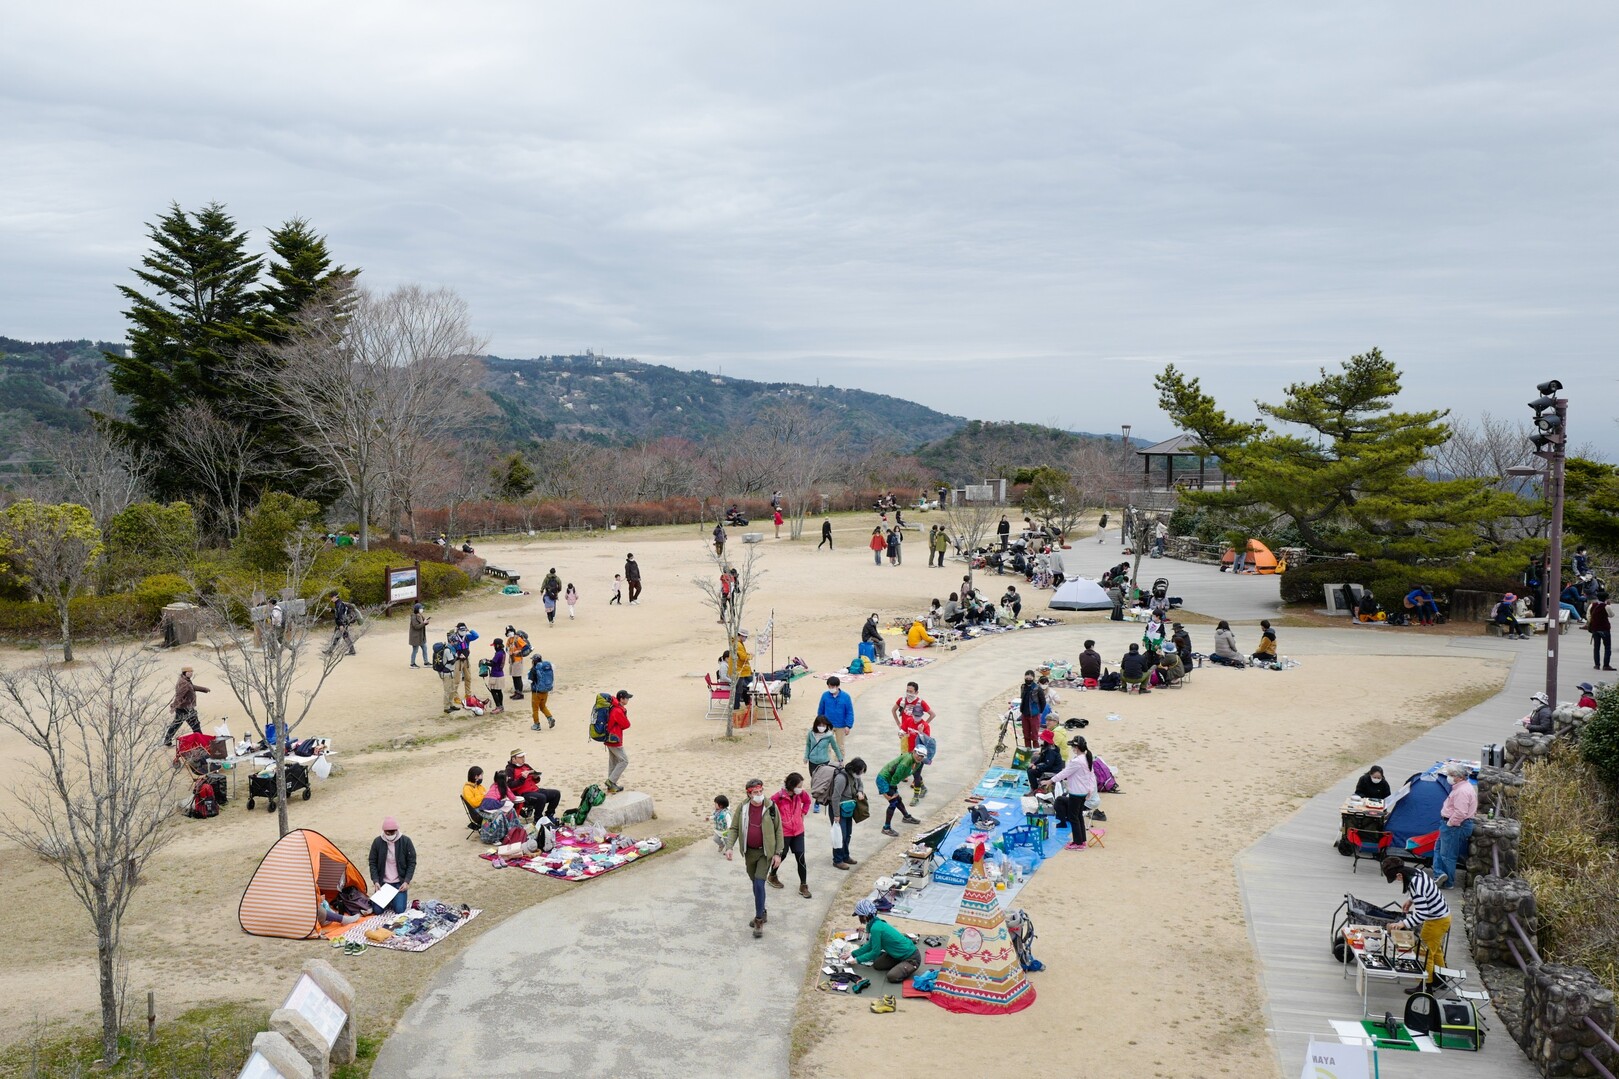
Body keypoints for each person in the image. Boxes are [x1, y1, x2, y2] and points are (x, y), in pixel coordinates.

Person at [720, 778, 784, 939]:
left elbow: (779, 830)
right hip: (749, 853)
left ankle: (759, 920)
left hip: (765, 853)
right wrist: (729, 847)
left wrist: (778, 853)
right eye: (755, 792)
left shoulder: (771, 806)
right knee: (755, 884)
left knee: (759, 883)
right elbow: (734, 828)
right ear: (749, 794)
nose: (759, 794)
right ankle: (762, 910)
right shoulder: (742, 807)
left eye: (761, 791)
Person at [1382, 858, 1450, 991]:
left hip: (1435, 920)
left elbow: (1423, 914)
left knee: (1424, 952)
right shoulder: (1417, 872)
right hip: (1443, 916)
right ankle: (1440, 980)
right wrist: (1410, 900)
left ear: (1399, 875)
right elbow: (1425, 891)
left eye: (1396, 879)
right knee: (1436, 950)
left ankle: (1425, 986)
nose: (1398, 881)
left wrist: (1403, 924)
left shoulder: (1415, 886)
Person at [1045, 735, 1101, 848]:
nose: (1072, 748)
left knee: (1073, 817)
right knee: (1078, 816)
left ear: (1077, 747)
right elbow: (1091, 776)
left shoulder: (1077, 761)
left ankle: (1077, 843)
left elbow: (1064, 773)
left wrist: (1051, 780)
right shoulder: (1086, 758)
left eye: (1073, 747)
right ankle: (1082, 840)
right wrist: (1090, 790)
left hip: (1076, 793)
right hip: (1083, 792)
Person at [852, 898, 921, 983]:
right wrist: (852, 954)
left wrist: (857, 960)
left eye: (859, 916)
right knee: (877, 965)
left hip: (911, 957)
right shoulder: (875, 923)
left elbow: (875, 952)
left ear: (864, 916)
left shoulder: (876, 928)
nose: (859, 918)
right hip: (896, 954)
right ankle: (899, 962)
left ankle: (908, 966)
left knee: (892, 976)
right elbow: (870, 945)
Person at [1432, 762, 1477, 889]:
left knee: (1447, 855)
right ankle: (1439, 874)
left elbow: (1461, 812)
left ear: (1460, 777)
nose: (1449, 777)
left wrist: (1450, 823)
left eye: (1451, 775)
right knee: (1439, 850)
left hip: (1454, 826)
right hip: (1451, 825)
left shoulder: (1462, 791)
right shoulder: (1464, 787)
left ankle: (1448, 882)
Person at [771, 772, 812, 897]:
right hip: (784, 832)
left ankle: (803, 885)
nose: (801, 788)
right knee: (781, 856)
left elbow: (808, 801)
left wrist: (803, 812)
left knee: (801, 858)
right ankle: (772, 876)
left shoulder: (801, 794)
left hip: (798, 831)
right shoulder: (778, 797)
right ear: (792, 785)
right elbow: (769, 810)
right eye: (799, 786)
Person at [368, 817, 416, 915]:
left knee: (399, 909)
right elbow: (372, 862)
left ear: (396, 830)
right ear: (383, 831)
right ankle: (389, 898)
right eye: (387, 833)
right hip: (384, 883)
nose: (390, 835)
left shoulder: (406, 841)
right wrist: (376, 881)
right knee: (377, 911)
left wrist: (406, 881)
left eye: (392, 833)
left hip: (399, 883)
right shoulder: (377, 842)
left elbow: (412, 862)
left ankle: (393, 898)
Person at [829, 758, 866, 870]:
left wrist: (860, 791)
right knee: (840, 835)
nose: (861, 774)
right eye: (861, 771)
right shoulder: (841, 778)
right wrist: (836, 814)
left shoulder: (855, 775)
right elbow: (835, 797)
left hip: (848, 808)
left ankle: (845, 856)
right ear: (854, 769)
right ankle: (837, 860)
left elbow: (860, 784)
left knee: (848, 834)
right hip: (838, 809)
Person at [506, 749, 561, 821]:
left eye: (523, 757)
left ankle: (549, 815)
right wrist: (522, 778)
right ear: (514, 759)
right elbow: (509, 786)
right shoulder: (509, 769)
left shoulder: (526, 766)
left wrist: (536, 777)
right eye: (520, 757)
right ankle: (538, 818)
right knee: (542, 797)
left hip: (535, 790)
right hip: (523, 794)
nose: (523, 759)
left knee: (556, 793)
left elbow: (536, 780)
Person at [164, 666, 209, 746]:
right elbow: (179, 695)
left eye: (191, 672)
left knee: (176, 724)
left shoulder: (185, 680)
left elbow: (191, 687)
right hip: (186, 708)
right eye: (189, 672)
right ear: (184, 673)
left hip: (184, 707)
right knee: (195, 726)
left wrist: (204, 689)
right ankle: (201, 742)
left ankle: (167, 741)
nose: (191, 673)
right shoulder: (183, 683)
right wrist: (174, 706)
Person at [816, 677, 856, 755]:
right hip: (827, 725)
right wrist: (819, 723)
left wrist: (848, 725)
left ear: (837, 686)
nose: (831, 688)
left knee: (840, 746)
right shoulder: (825, 696)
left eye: (832, 686)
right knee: (826, 746)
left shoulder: (846, 697)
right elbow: (820, 710)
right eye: (829, 686)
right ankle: (826, 761)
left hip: (841, 725)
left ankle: (840, 761)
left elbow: (849, 712)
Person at [604, 690, 632, 792]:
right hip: (614, 739)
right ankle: (611, 781)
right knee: (624, 761)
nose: (628, 699)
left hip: (609, 739)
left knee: (613, 762)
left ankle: (611, 786)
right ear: (621, 699)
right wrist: (624, 712)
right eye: (627, 698)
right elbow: (626, 724)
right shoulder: (618, 710)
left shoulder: (614, 708)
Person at [1018, 669, 1046, 748]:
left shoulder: (1038, 688)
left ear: (1033, 678)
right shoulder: (1023, 687)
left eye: (1030, 678)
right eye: (1026, 678)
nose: (1028, 680)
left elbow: (1043, 702)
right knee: (1026, 735)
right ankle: (1028, 750)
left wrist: (1039, 711)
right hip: (1024, 714)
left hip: (1034, 715)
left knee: (1034, 736)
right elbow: (1022, 698)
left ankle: (1036, 752)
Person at [528, 652, 556, 731]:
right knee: (543, 706)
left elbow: (530, 681)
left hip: (536, 693)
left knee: (535, 709)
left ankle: (536, 724)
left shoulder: (534, 669)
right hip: (545, 691)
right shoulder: (545, 668)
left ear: (534, 661)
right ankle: (550, 718)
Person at [325, 591, 358, 656]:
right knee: (343, 636)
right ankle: (351, 650)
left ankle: (330, 651)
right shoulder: (339, 603)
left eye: (331, 597)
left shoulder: (339, 604)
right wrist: (331, 610)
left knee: (341, 636)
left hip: (342, 624)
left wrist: (341, 625)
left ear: (335, 597)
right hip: (343, 623)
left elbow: (340, 615)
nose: (331, 599)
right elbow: (339, 612)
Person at [1588, 589, 1613, 671]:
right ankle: (1606, 665)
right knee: (1607, 647)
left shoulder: (1592, 605)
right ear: (1606, 598)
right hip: (1604, 629)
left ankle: (1597, 665)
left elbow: (1588, 616)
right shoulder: (1607, 606)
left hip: (1595, 628)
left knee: (1596, 647)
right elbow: (1611, 615)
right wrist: (1608, 605)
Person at [505, 626, 528, 699]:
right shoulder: (509, 640)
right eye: (508, 631)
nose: (509, 632)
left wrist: (519, 651)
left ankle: (520, 693)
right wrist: (508, 651)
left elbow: (526, 646)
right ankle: (516, 692)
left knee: (518, 677)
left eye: (510, 631)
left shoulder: (518, 638)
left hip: (518, 660)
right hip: (512, 660)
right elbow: (507, 648)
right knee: (514, 677)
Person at [485, 638, 507, 713]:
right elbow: (494, 661)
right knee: (499, 691)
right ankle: (501, 706)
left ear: (497, 645)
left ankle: (498, 706)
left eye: (494, 645)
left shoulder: (498, 654)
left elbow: (493, 664)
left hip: (495, 675)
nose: (494, 647)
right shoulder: (502, 652)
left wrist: (485, 663)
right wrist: (488, 661)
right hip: (500, 674)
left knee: (493, 691)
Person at [408, 603, 430, 668]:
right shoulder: (413, 617)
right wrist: (424, 623)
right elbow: (416, 626)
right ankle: (412, 664)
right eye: (421, 608)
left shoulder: (420, 615)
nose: (422, 609)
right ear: (417, 609)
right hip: (416, 637)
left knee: (425, 648)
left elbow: (423, 623)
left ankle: (426, 662)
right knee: (415, 650)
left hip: (421, 637)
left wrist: (426, 622)